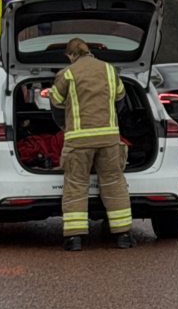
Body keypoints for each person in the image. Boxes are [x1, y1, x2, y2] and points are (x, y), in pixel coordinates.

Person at [49, 37, 132, 250]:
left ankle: (75, 239)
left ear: (70, 55)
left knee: (76, 184)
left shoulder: (67, 74)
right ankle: (123, 235)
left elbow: (56, 104)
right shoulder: (109, 70)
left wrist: (65, 126)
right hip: (109, 138)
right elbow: (121, 99)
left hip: (78, 140)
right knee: (114, 183)